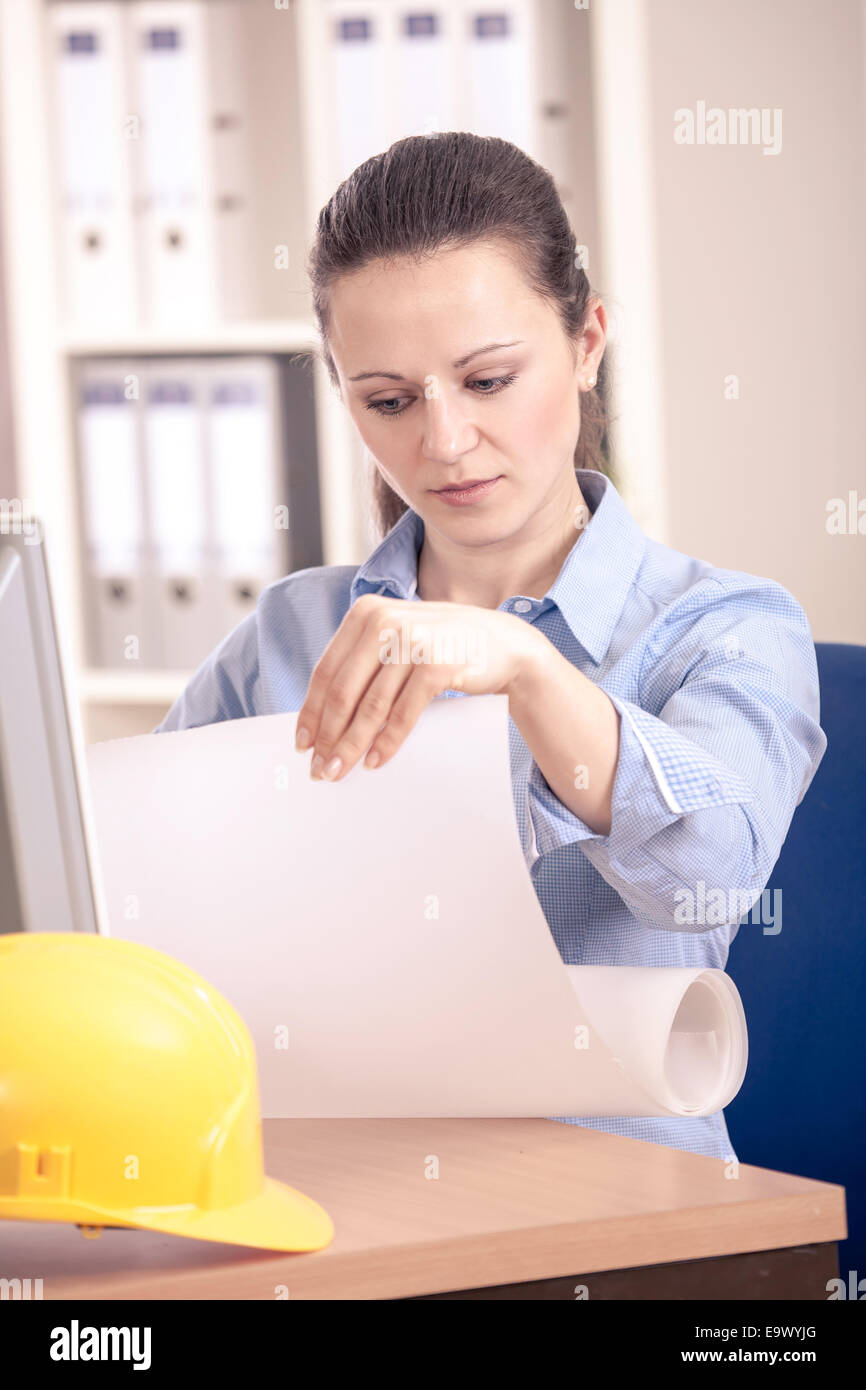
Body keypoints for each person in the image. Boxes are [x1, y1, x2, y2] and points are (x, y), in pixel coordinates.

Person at [155, 133, 827, 1163]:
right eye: (388, 400)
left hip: (613, 1205)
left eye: (487, 379)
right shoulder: (289, 632)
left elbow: (713, 867)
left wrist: (527, 670)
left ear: (586, 340)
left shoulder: (724, 626)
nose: (445, 441)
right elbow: (128, 882)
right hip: (329, 1184)